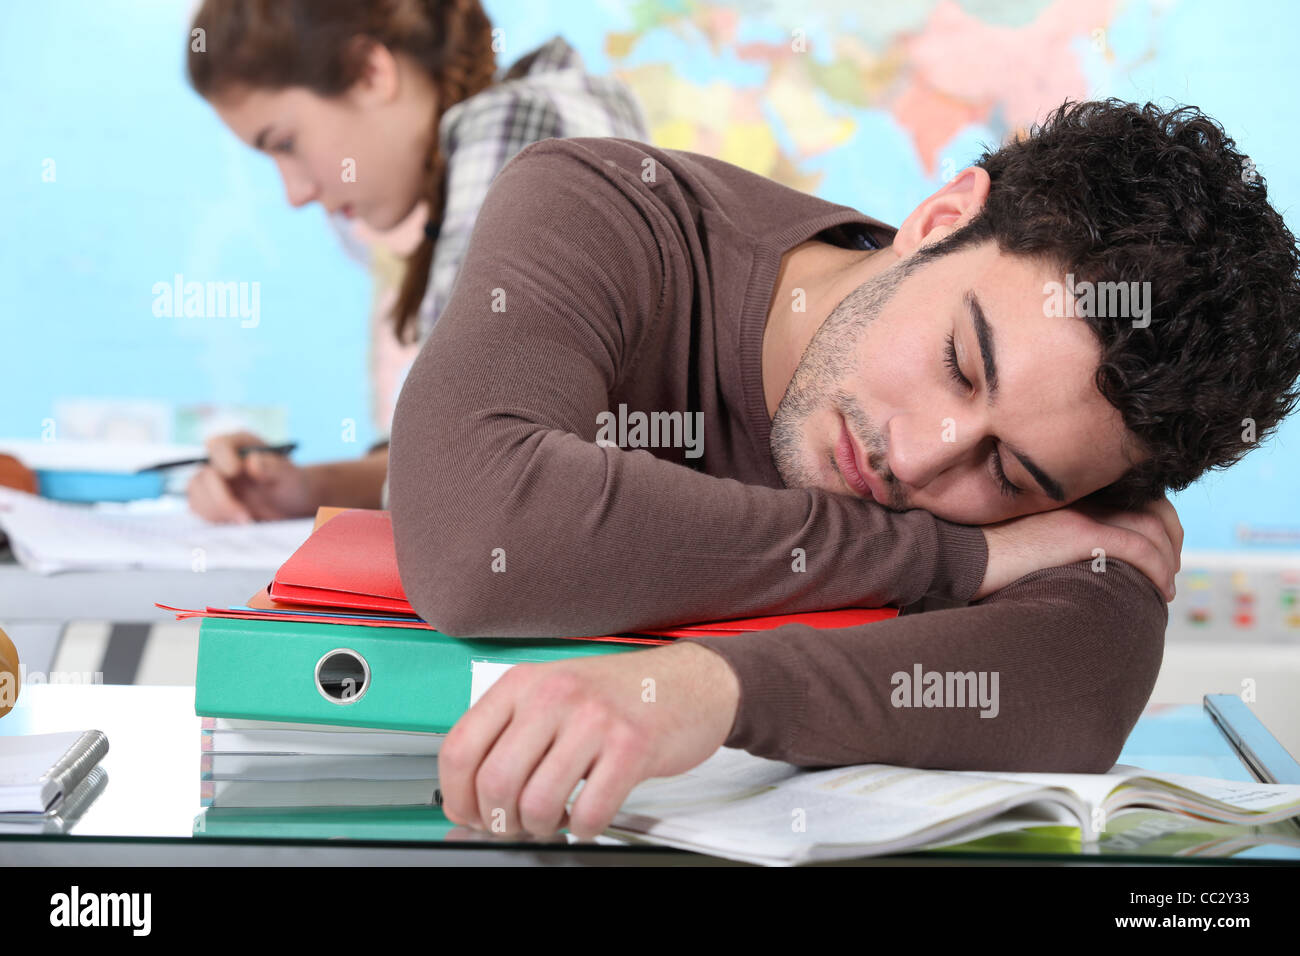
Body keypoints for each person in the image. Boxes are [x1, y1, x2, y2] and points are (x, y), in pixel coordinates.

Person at [386, 100, 1300, 840]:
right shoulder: (611, 209)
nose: (917, 458)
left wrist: (717, 688)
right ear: (942, 220)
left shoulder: (1086, 433)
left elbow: (1087, 682)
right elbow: (479, 529)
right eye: (961, 362)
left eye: (1008, 472)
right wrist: (957, 558)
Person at [182, 0, 647, 522]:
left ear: (370, 72)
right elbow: (458, 447)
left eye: (286, 143)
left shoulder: (522, 120)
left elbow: (473, 469)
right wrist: (304, 488)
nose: (295, 192)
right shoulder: (532, 120)